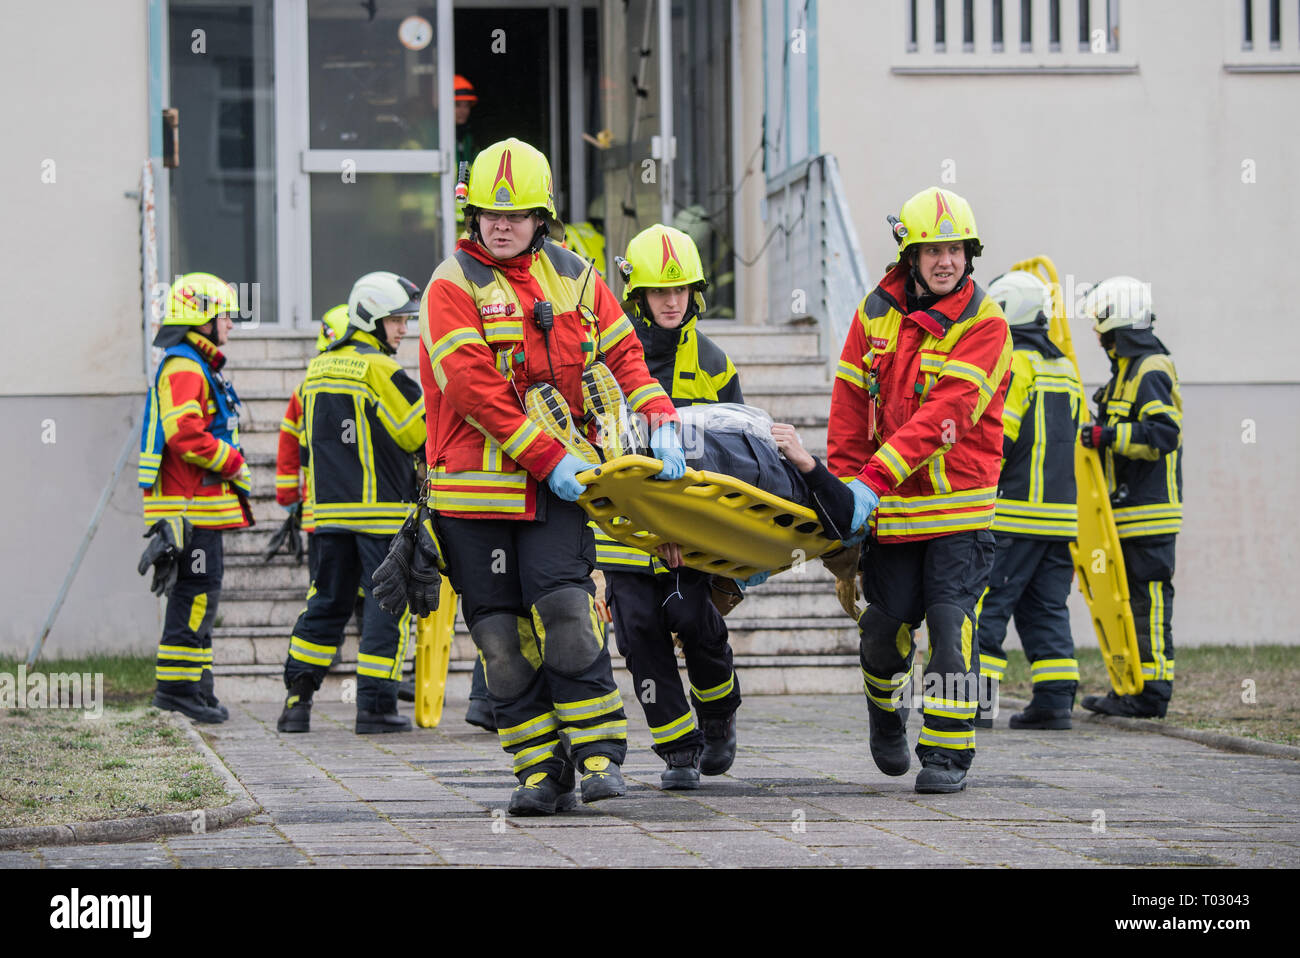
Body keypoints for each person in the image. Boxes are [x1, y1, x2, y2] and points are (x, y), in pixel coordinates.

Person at [420, 137, 682, 815]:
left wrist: (659, 414)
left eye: (517, 214)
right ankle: (540, 769)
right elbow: (474, 389)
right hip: (476, 498)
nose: (500, 224)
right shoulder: (450, 286)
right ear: (470, 215)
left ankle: (598, 755)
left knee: (567, 612)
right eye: (487, 214)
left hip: (556, 492)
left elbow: (625, 350)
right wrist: (552, 456)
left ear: (542, 217)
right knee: (501, 643)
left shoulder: (577, 275)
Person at [827, 186, 1011, 794]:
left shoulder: (985, 324)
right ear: (910, 254)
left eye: (955, 249)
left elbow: (945, 417)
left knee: (952, 626)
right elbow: (850, 413)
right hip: (893, 517)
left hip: (960, 514)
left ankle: (948, 754)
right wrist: (842, 500)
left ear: (969, 253)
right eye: (932, 249)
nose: (945, 261)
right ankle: (885, 711)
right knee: (883, 629)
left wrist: (870, 482)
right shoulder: (872, 314)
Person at [597, 224, 744, 790]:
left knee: (689, 617)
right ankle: (678, 749)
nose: (670, 301)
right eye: (659, 291)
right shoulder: (607, 365)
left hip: (694, 526)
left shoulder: (714, 362)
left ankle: (719, 714)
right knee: (637, 633)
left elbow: (739, 449)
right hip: (626, 531)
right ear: (636, 296)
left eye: (680, 289)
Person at [276, 272, 427, 735]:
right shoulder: (379, 369)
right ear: (370, 319)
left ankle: (296, 703)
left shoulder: (316, 370)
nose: (402, 330)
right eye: (396, 321)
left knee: (325, 606)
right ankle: (376, 708)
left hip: (328, 518)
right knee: (385, 608)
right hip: (380, 516)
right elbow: (416, 432)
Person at [973, 271, 1086, 729]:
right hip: (1059, 521)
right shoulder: (1066, 369)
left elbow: (999, 437)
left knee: (986, 606)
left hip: (1013, 514)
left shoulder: (1015, 364)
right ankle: (1055, 703)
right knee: (1046, 608)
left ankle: (973, 705)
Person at [139, 273, 253, 724]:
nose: (229, 324)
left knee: (201, 596)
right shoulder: (185, 365)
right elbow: (185, 435)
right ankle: (176, 690)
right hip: (190, 510)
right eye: (224, 315)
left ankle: (196, 689)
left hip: (198, 509)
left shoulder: (194, 363)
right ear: (202, 318)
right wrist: (233, 462)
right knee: (195, 596)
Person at [1077, 276, 1182, 718]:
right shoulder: (1125, 370)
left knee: (1149, 600)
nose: (1097, 337)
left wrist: (1106, 435)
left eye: (1099, 327)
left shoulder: (1151, 368)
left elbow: (1164, 434)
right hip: (1125, 513)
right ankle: (1129, 686)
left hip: (1149, 513)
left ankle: (1152, 693)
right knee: (1124, 603)